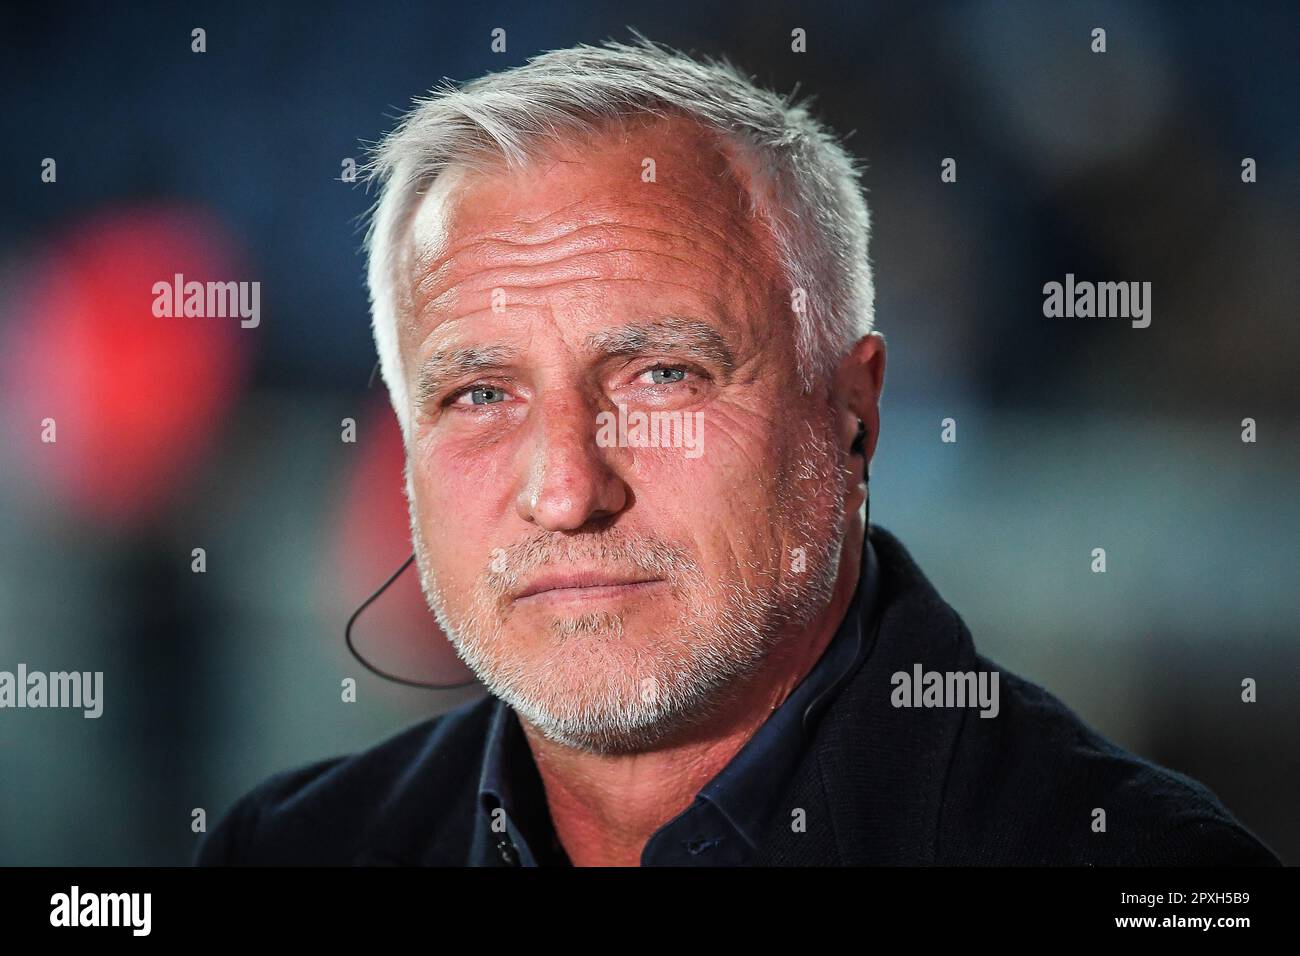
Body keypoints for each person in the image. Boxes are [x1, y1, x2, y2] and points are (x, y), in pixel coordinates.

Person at [194, 36, 1279, 867]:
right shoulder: (287, 848)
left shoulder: (1142, 870)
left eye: (662, 375)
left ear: (851, 412)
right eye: (481, 392)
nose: (567, 489)